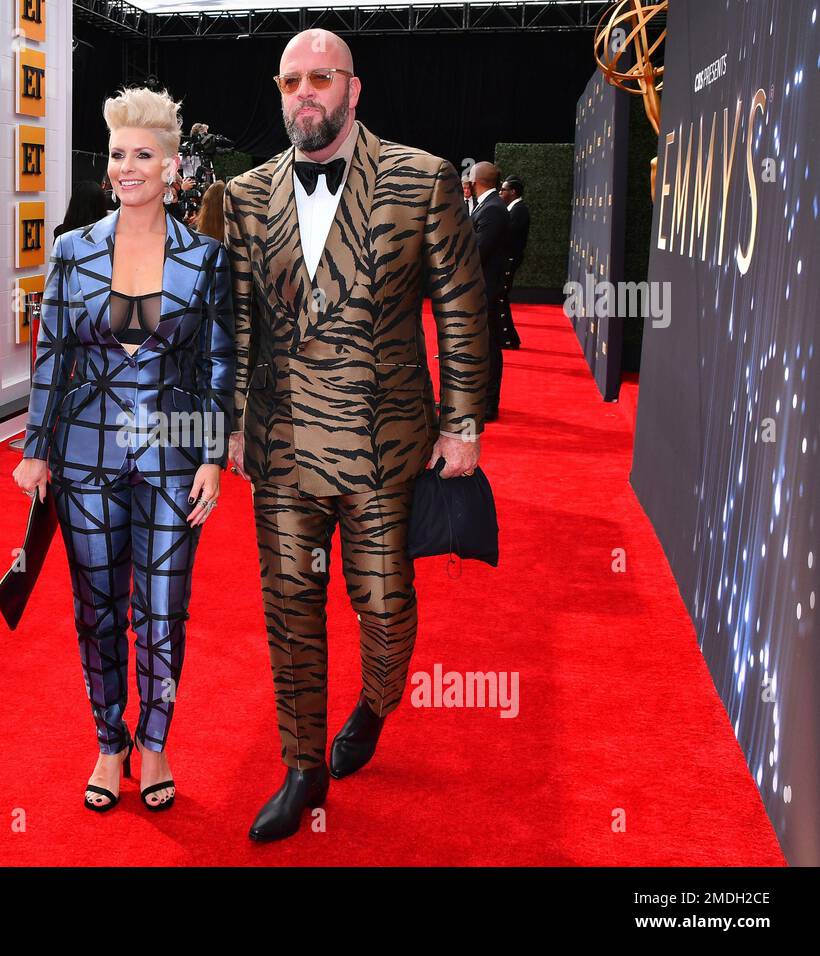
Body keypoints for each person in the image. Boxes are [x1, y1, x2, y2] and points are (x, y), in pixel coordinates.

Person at [223, 28, 489, 842]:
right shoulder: (242, 195)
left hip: (384, 447)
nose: (306, 92)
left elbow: (461, 308)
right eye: (292, 80)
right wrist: (230, 424)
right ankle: (302, 766)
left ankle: (376, 702)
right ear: (280, 90)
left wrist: (464, 422)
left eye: (322, 78)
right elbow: (235, 323)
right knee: (290, 611)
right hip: (282, 445)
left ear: (353, 89)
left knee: (384, 609)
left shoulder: (421, 179)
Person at [13, 86, 235, 814]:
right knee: (98, 608)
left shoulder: (206, 259)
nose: (127, 168)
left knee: (165, 611)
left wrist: (212, 454)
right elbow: (52, 355)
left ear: (172, 167)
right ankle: (110, 743)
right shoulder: (73, 251)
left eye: (144, 155)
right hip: (84, 457)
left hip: (174, 456)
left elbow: (217, 363)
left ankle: (156, 742)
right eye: (117, 155)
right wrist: (37, 448)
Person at [469, 161, 510, 420]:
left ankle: (489, 404)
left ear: (475, 182)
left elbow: (478, 249)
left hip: (487, 290)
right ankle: (481, 401)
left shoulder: (493, 209)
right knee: (483, 346)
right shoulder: (490, 205)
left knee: (489, 347)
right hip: (484, 288)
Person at [497, 176, 530, 349]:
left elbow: (508, 236)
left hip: (509, 259)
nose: (500, 192)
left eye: (503, 189)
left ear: (513, 192)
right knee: (500, 297)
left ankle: (508, 339)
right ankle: (508, 337)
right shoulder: (513, 209)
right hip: (507, 258)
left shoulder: (519, 210)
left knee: (501, 297)